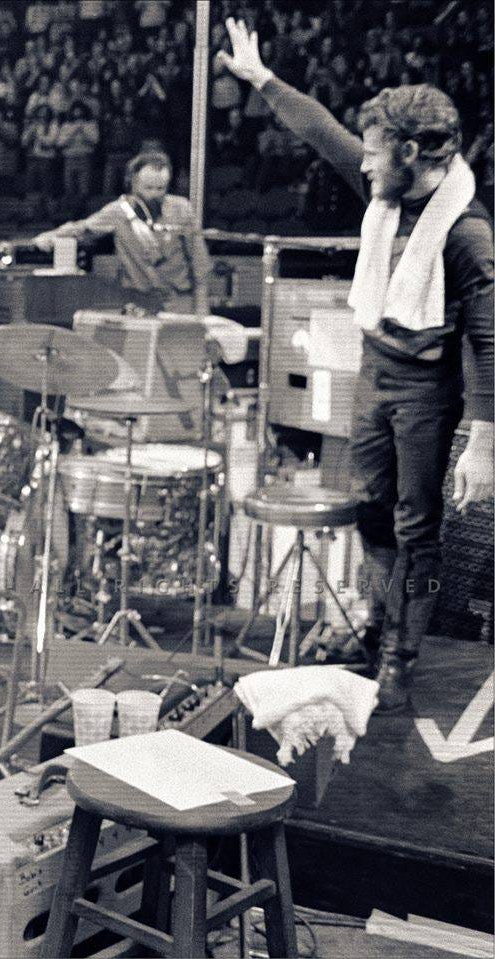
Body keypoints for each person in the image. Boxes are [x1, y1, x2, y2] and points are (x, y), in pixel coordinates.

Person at [219, 18, 494, 712]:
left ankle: (400, 659)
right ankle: (377, 627)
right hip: (376, 371)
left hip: (428, 387)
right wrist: (262, 79)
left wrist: (486, 440)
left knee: (415, 525)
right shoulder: (385, 191)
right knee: (372, 511)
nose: (364, 163)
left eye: (376, 153)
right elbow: (322, 131)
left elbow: (491, 339)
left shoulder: (466, 232)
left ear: (412, 152)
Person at [33, 149, 211, 313]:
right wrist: (49, 236)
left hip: (180, 300)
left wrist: (202, 311)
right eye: (148, 188)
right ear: (132, 183)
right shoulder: (118, 211)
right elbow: (82, 228)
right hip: (140, 302)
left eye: (161, 189)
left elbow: (200, 262)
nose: (154, 194)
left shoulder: (182, 208)